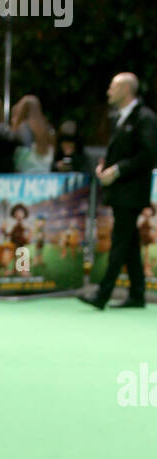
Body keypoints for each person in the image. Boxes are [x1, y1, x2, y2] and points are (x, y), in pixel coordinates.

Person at [79, 72, 157, 309]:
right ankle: (137, 294)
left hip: (131, 192)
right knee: (130, 242)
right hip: (121, 192)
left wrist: (118, 170)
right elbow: (121, 151)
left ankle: (102, 295)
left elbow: (148, 154)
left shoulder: (145, 118)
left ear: (126, 90)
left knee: (120, 242)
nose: (108, 92)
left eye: (113, 87)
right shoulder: (120, 117)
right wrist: (106, 164)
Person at [11, 94, 55, 172]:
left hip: (26, 173)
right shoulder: (46, 127)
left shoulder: (23, 127)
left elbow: (23, 149)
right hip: (44, 173)